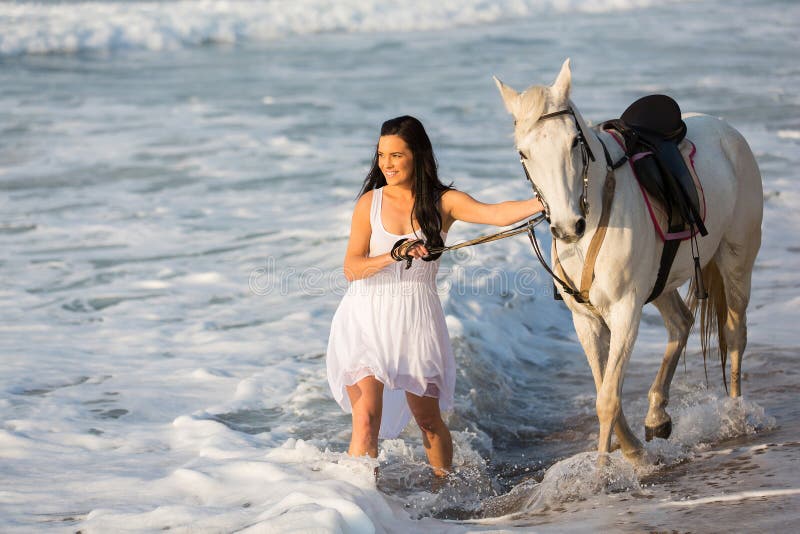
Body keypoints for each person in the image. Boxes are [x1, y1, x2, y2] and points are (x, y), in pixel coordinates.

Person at [326, 115, 544, 477]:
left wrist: (543, 202)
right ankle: (362, 499)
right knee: (366, 419)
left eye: (396, 155)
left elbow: (495, 213)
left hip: (415, 320)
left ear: (418, 155)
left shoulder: (444, 202)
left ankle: (445, 490)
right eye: (382, 155)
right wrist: (394, 254)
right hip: (364, 316)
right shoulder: (370, 203)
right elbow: (352, 268)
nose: (386, 163)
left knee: (427, 421)